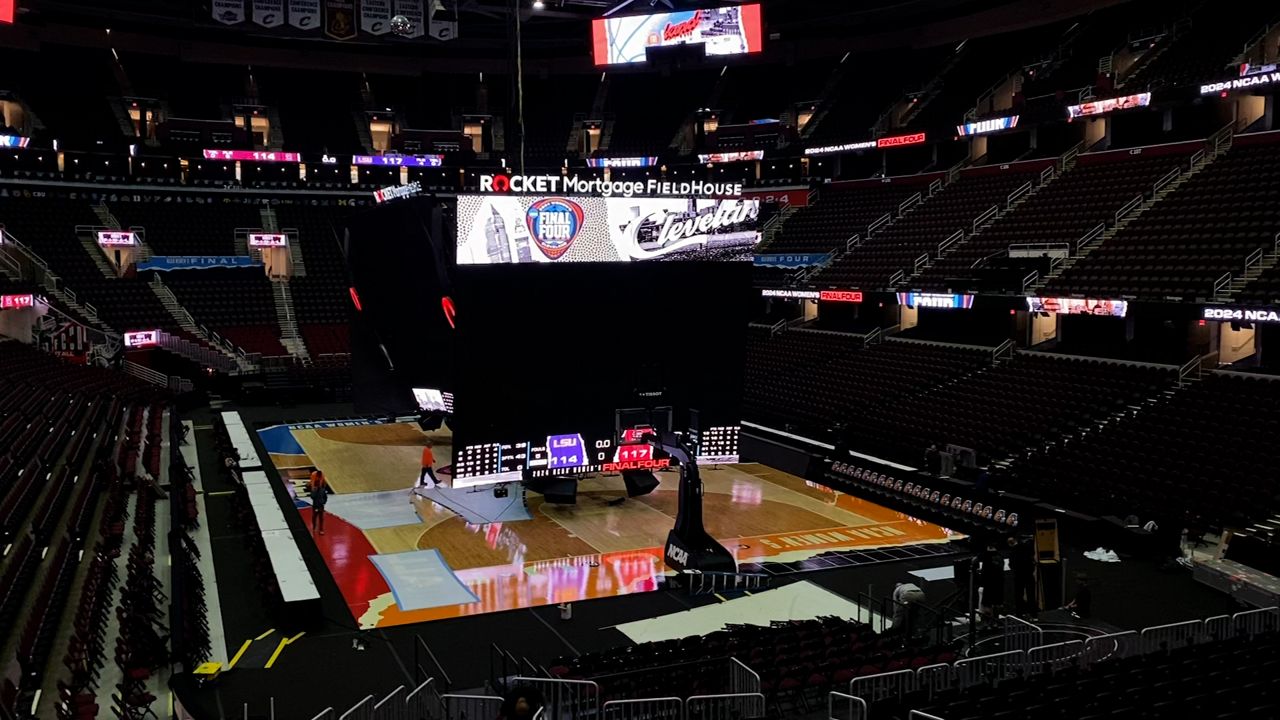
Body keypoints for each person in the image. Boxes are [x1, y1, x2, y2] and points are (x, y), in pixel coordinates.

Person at [310, 468, 330, 535]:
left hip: (321, 506)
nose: (318, 483)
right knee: (314, 517)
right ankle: (314, 527)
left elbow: (325, 497)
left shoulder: (322, 490)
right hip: (315, 505)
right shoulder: (314, 489)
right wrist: (314, 490)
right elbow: (312, 496)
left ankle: (321, 529)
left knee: (321, 518)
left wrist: (323, 502)